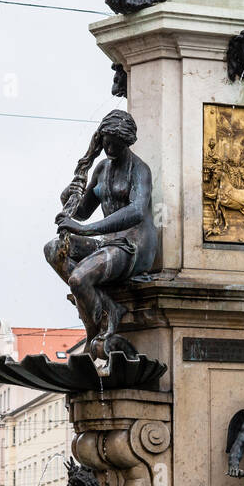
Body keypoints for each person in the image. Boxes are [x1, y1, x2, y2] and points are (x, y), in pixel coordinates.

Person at [44, 110, 158, 358]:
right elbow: (83, 212)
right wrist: (68, 195)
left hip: (133, 246)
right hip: (109, 244)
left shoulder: (140, 170)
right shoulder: (102, 168)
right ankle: (106, 307)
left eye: (114, 144)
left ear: (127, 142)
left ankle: (96, 327)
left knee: (78, 280)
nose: (108, 148)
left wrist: (85, 230)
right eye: (105, 142)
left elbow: (137, 211)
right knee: (53, 249)